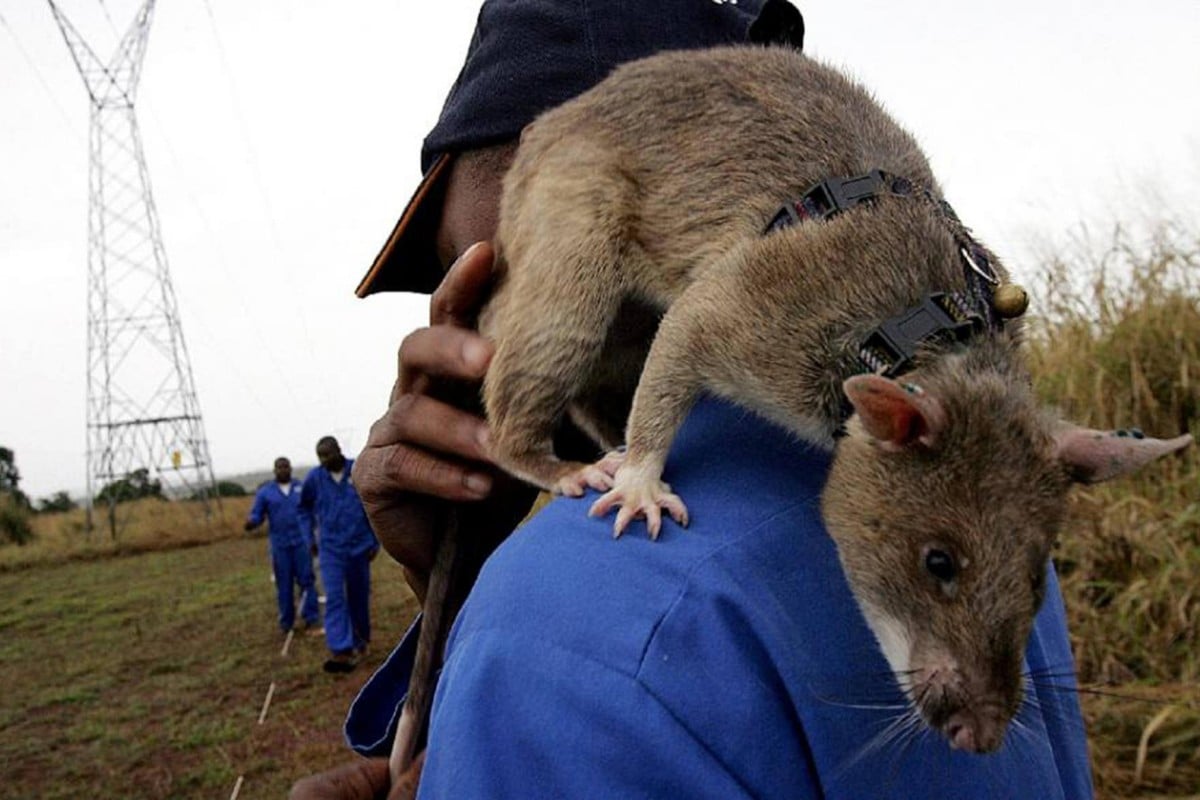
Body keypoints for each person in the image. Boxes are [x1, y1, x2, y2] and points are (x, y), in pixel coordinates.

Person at [293, 2, 1094, 798]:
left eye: (487, 267)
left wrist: (514, 608)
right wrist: (466, 572)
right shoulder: (994, 504)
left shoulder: (566, 623)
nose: (457, 323)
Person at [300, 436, 380, 673]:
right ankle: (341, 650)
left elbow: (374, 505)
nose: (324, 460)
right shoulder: (315, 479)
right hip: (330, 548)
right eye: (320, 456)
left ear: (338, 451)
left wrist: (375, 541)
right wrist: (309, 538)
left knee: (358, 596)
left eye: (328, 454)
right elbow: (303, 509)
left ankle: (360, 640)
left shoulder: (358, 470)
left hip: (359, 546)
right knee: (334, 596)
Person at [244, 456, 320, 636]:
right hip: (280, 546)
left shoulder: (301, 488)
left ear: (291, 469)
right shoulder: (265, 492)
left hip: (301, 543)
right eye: (279, 467)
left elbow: (313, 511)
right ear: (274, 470)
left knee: (307, 580)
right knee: (284, 584)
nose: (283, 470)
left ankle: (311, 619)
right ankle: (287, 623)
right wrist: (252, 522)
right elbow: (257, 514)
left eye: (286, 467)